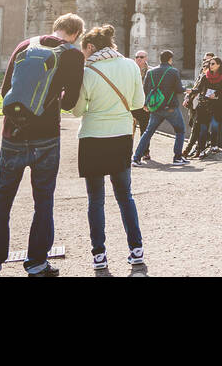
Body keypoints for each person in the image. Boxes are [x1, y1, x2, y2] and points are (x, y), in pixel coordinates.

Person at [0, 13, 85, 278]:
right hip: (46, 137)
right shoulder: (73, 55)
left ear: (56, 28)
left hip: (12, 135)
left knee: (2, 200)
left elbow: (5, 91)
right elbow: (70, 102)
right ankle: (37, 263)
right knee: (43, 201)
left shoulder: (25, 45)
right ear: (76, 34)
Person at [70, 24, 146, 271]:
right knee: (126, 196)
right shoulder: (131, 65)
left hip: (93, 138)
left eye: (83, 50)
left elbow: (78, 110)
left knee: (96, 200)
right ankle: (136, 249)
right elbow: (138, 103)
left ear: (91, 47)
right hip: (121, 137)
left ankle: (99, 254)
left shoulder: (87, 71)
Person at [133, 50, 187, 165]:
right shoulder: (173, 71)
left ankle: (136, 158)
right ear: (170, 59)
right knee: (180, 130)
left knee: (148, 132)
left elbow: (145, 90)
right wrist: (185, 88)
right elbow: (178, 89)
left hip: (155, 108)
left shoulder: (151, 72)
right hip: (171, 107)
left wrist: (146, 105)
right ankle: (177, 157)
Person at [189, 55, 222, 157]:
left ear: (218, 65)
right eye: (210, 64)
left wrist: (216, 94)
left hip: (216, 105)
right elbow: (199, 89)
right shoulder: (205, 77)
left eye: (213, 64)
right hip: (204, 105)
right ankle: (202, 149)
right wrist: (191, 91)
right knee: (203, 128)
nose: (210, 66)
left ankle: (214, 145)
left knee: (215, 126)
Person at [131, 50, 150, 140]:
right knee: (129, 130)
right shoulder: (130, 70)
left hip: (144, 105)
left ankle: (145, 152)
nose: (138, 59)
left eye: (141, 57)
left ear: (146, 58)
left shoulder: (151, 71)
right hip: (132, 104)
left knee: (144, 129)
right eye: (137, 57)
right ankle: (128, 152)